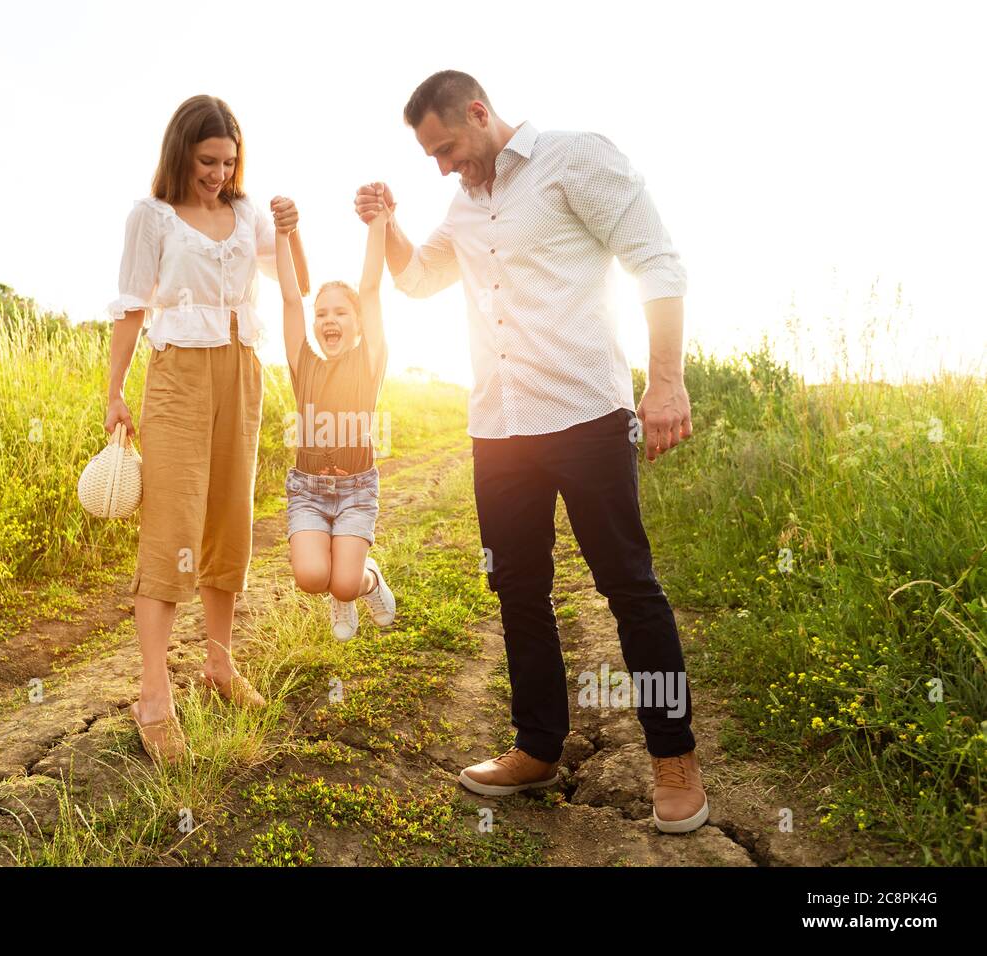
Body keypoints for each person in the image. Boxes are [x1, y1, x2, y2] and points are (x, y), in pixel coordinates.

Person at [354, 70, 707, 833]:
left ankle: (674, 761)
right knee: (518, 591)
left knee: (629, 587)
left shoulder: (576, 158)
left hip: (585, 414)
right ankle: (537, 747)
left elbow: (657, 261)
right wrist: (385, 225)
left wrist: (667, 381)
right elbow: (417, 280)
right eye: (431, 157)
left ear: (478, 113)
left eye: (447, 147)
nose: (443, 166)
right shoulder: (461, 204)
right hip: (498, 429)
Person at [105, 94, 309, 765]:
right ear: (181, 153)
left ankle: (220, 667)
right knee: (173, 525)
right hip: (178, 377)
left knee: (228, 522)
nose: (219, 173)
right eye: (207, 161)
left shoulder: (247, 214)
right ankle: (154, 695)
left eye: (229, 161)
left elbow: (295, 284)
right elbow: (132, 308)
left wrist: (292, 228)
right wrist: (115, 393)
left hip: (243, 371)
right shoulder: (153, 217)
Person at [274, 188, 396, 641]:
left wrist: (378, 224)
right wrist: (283, 233)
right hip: (307, 490)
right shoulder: (302, 362)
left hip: (356, 491)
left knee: (344, 582)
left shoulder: (369, 363)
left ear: (359, 322)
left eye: (341, 313)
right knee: (311, 578)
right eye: (322, 313)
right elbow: (290, 299)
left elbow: (370, 288)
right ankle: (339, 587)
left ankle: (367, 582)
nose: (329, 319)